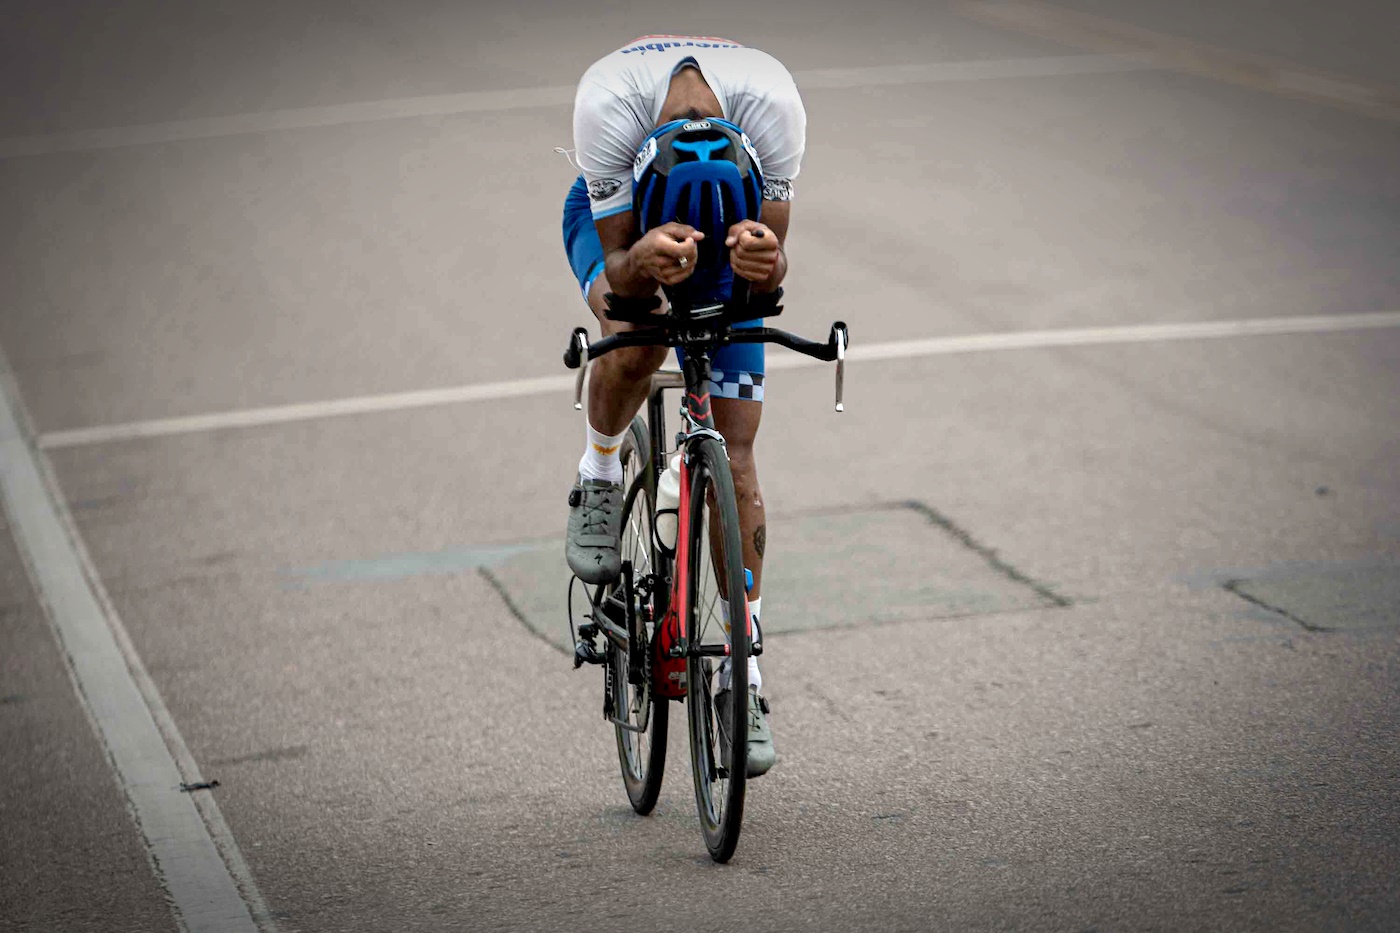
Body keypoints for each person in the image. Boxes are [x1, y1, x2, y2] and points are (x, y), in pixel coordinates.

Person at [561, 35, 805, 778]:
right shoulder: (608, 105)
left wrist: (763, 262)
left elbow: (769, 279)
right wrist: (643, 259)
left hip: (731, 238)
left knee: (735, 454)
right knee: (632, 336)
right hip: (625, 228)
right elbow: (622, 277)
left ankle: (744, 679)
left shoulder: (773, 105)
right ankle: (602, 471)